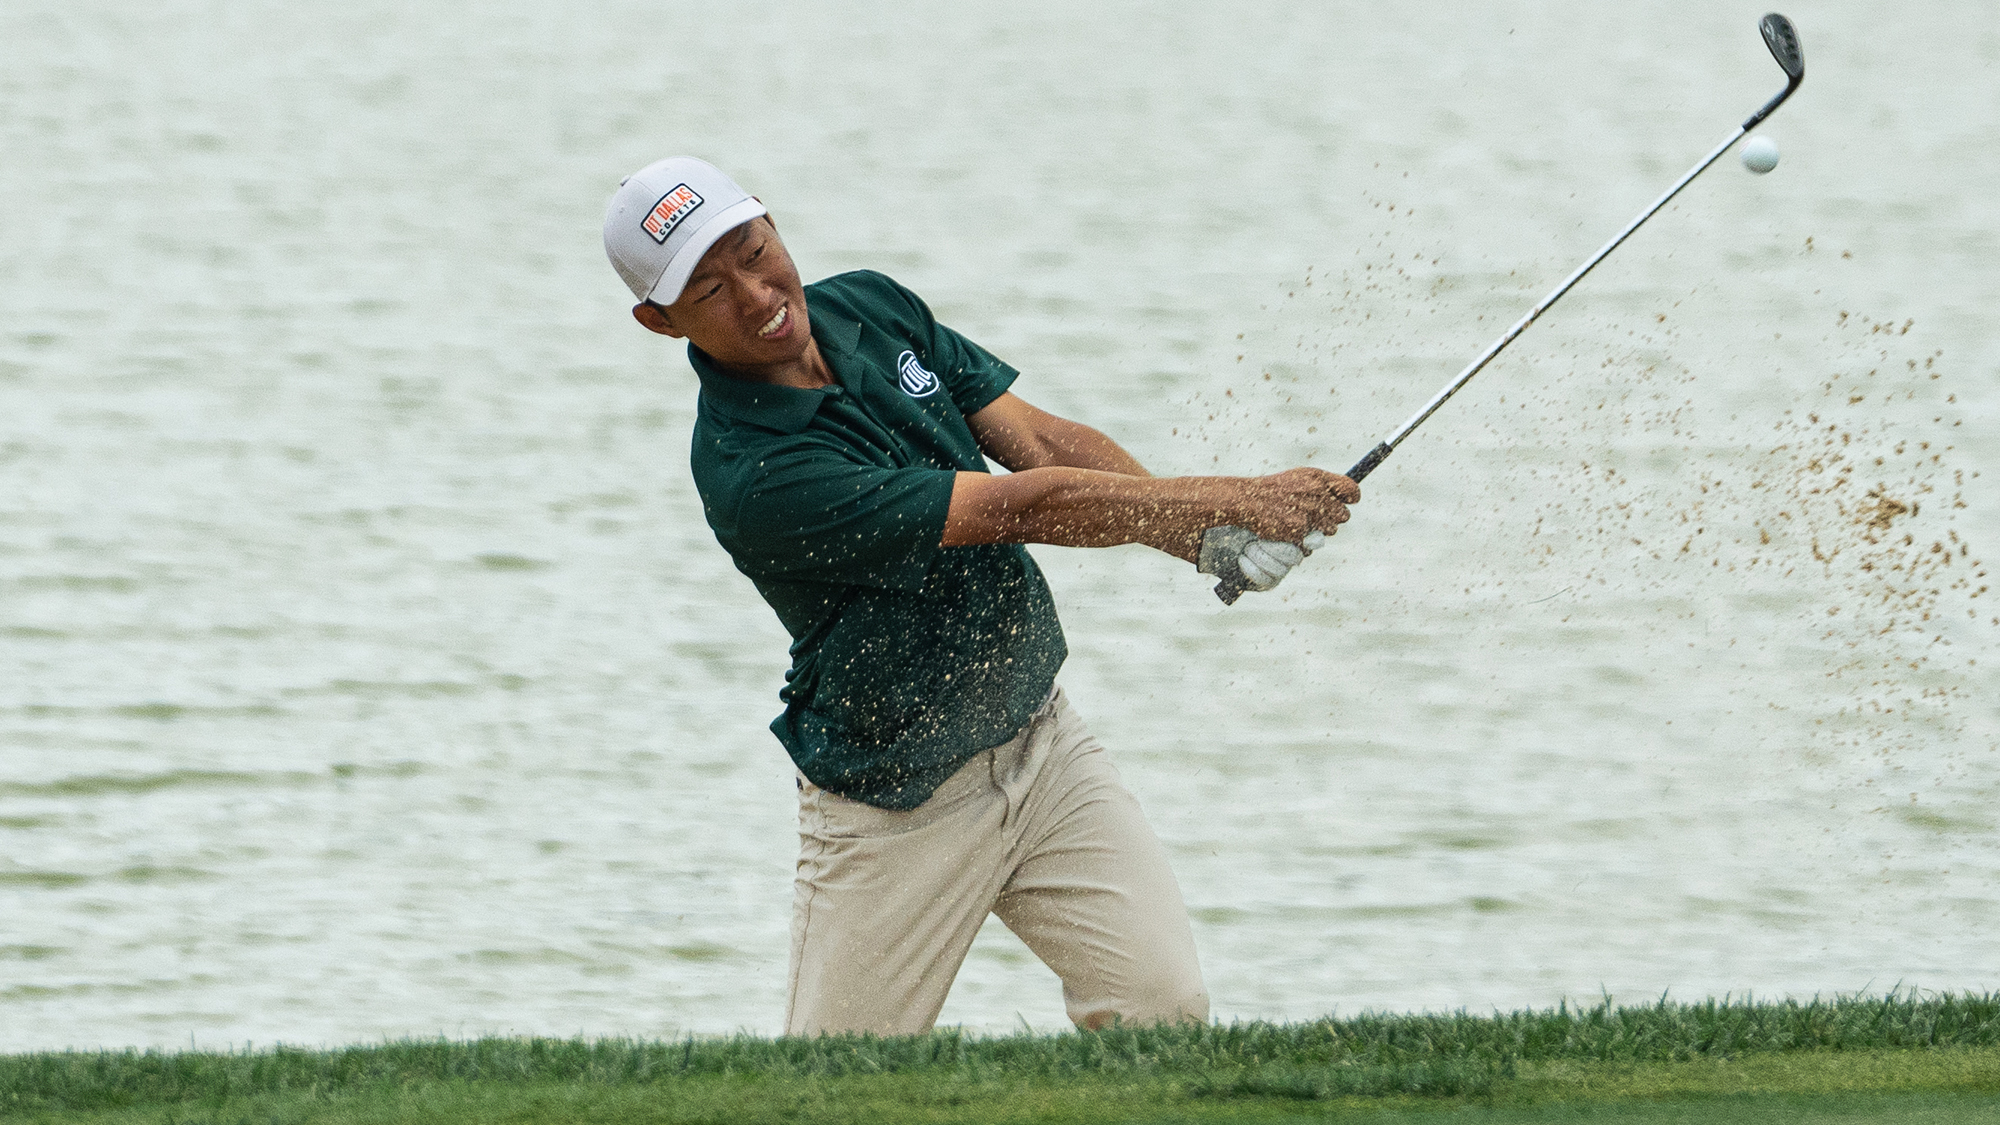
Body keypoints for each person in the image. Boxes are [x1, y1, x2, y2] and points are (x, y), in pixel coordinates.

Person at [602, 157, 1358, 1037]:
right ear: (659, 323)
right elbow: (1022, 508)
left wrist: (1199, 538)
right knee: (841, 1082)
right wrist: (1231, 499)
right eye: (709, 288)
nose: (757, 292)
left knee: (1164, 1011)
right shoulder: (755, 474)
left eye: (754, 250)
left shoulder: (870, 305)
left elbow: (1036, 441)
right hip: (894, 804)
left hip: (1042, 747)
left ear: (773, 224)